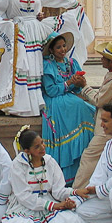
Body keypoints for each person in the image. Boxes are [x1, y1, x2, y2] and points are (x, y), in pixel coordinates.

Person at [0, 0, 83, 117]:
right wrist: (4, 21)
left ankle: (35, 104)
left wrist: (73, 3)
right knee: (21, 65)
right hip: (17, 30)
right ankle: (17, 105)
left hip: (34, 31)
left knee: (34, 64)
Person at [0, 127, 96, 223]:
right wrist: (54, 206)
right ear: (27, 151)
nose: (42, 147)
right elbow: (24, 197)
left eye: (42, 143)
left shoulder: (49, 161)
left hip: (48, 203)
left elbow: (58, 191)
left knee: (70, 222)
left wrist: (75, 192)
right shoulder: (18, 165)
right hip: (26, 205)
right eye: (37, 147)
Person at [73, 41, 112, 189]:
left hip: (107, 129)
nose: (101, 60)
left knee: (89, 157)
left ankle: (77, 191)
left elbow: (99, 100)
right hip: (107, 126)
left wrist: (84, 87)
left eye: (104, 58)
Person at [41, 31, 95, 185]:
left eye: (64, 46)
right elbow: (50, 90)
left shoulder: (71, 63)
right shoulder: (48, 65)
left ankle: (82, 163)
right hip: (54, 100)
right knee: (79, 105)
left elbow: (77, 90)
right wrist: (69, 83)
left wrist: (78, 83)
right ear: (51, 50)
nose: (63, 49)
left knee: (92, 110)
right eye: (58, 47)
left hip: (69, 97)